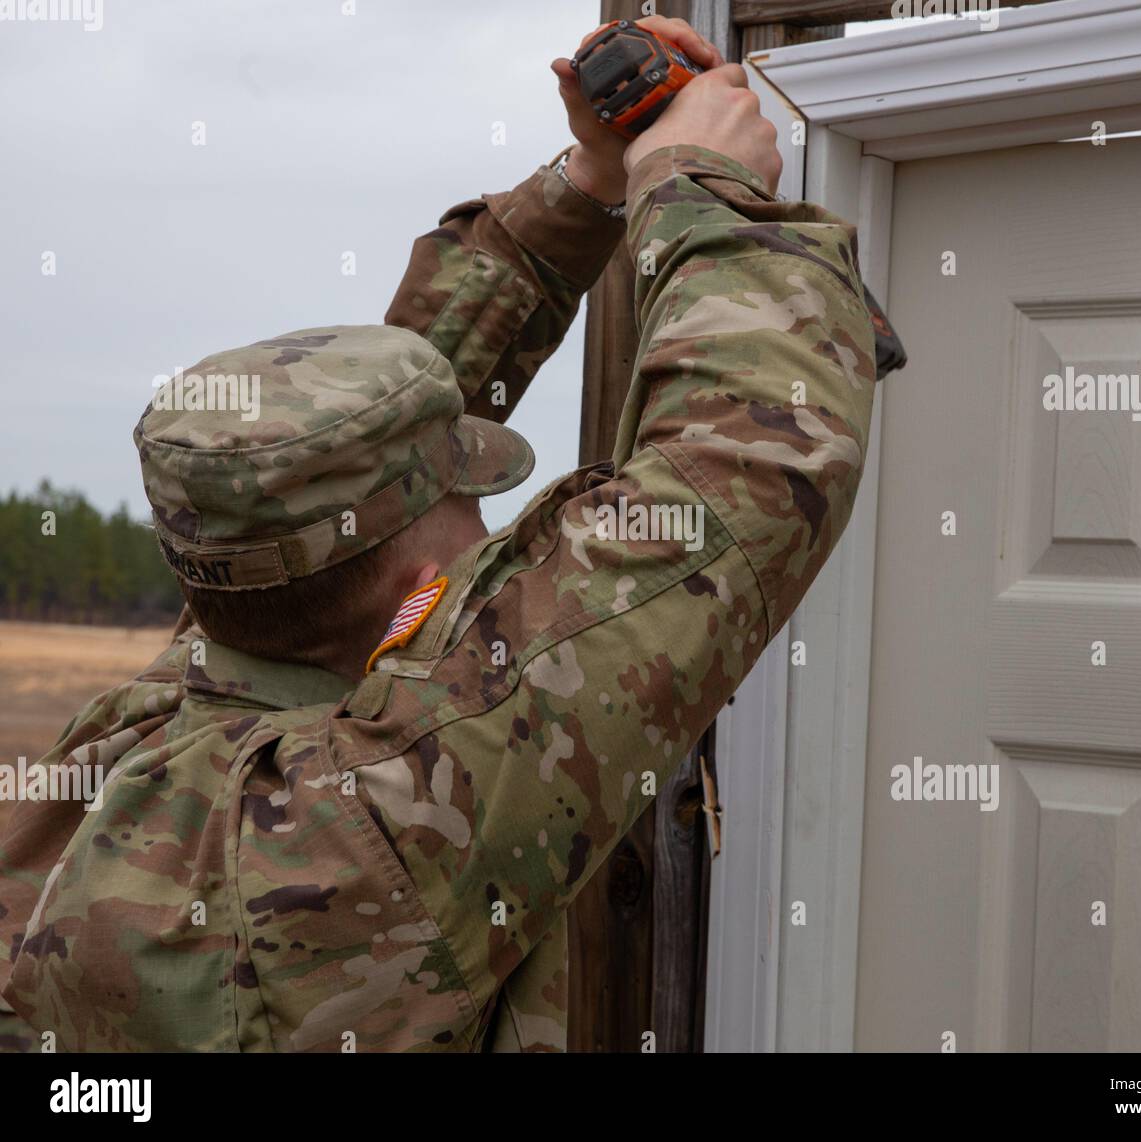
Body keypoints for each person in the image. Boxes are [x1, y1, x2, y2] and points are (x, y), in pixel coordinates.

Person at [0, 16, 880, 1052]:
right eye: (466, 492)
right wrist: (703, 190)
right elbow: (752, 464)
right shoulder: (372, 816)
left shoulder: (135, 740)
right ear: (417, 572)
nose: (486, 522)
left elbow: (336, 461)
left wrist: (586, 186)